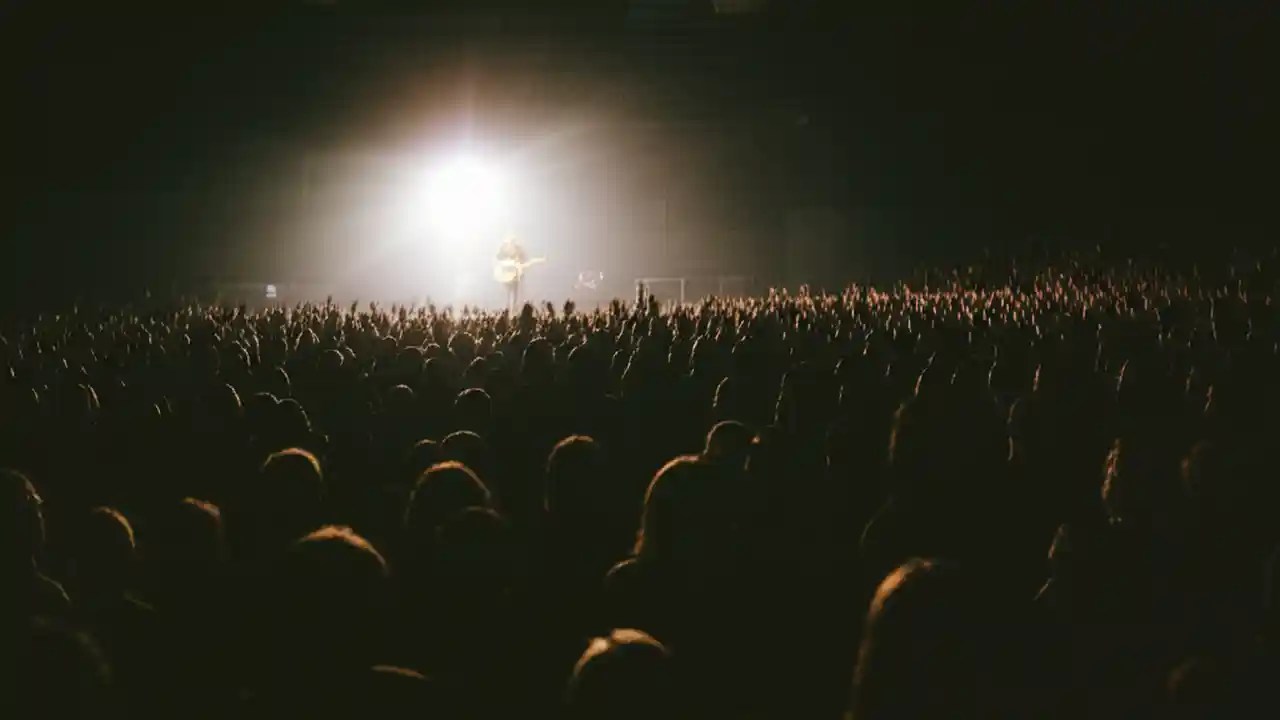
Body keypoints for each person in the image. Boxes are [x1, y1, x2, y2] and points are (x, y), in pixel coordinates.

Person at [496, 235, 528, 314]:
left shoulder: (517, 250)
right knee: (510, 293)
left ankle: (513, 309)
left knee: (513, 293)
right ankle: (509, 308)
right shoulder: (506, 249)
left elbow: (523, 258)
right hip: (509, 275)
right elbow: (499, 257)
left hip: (514, 276)